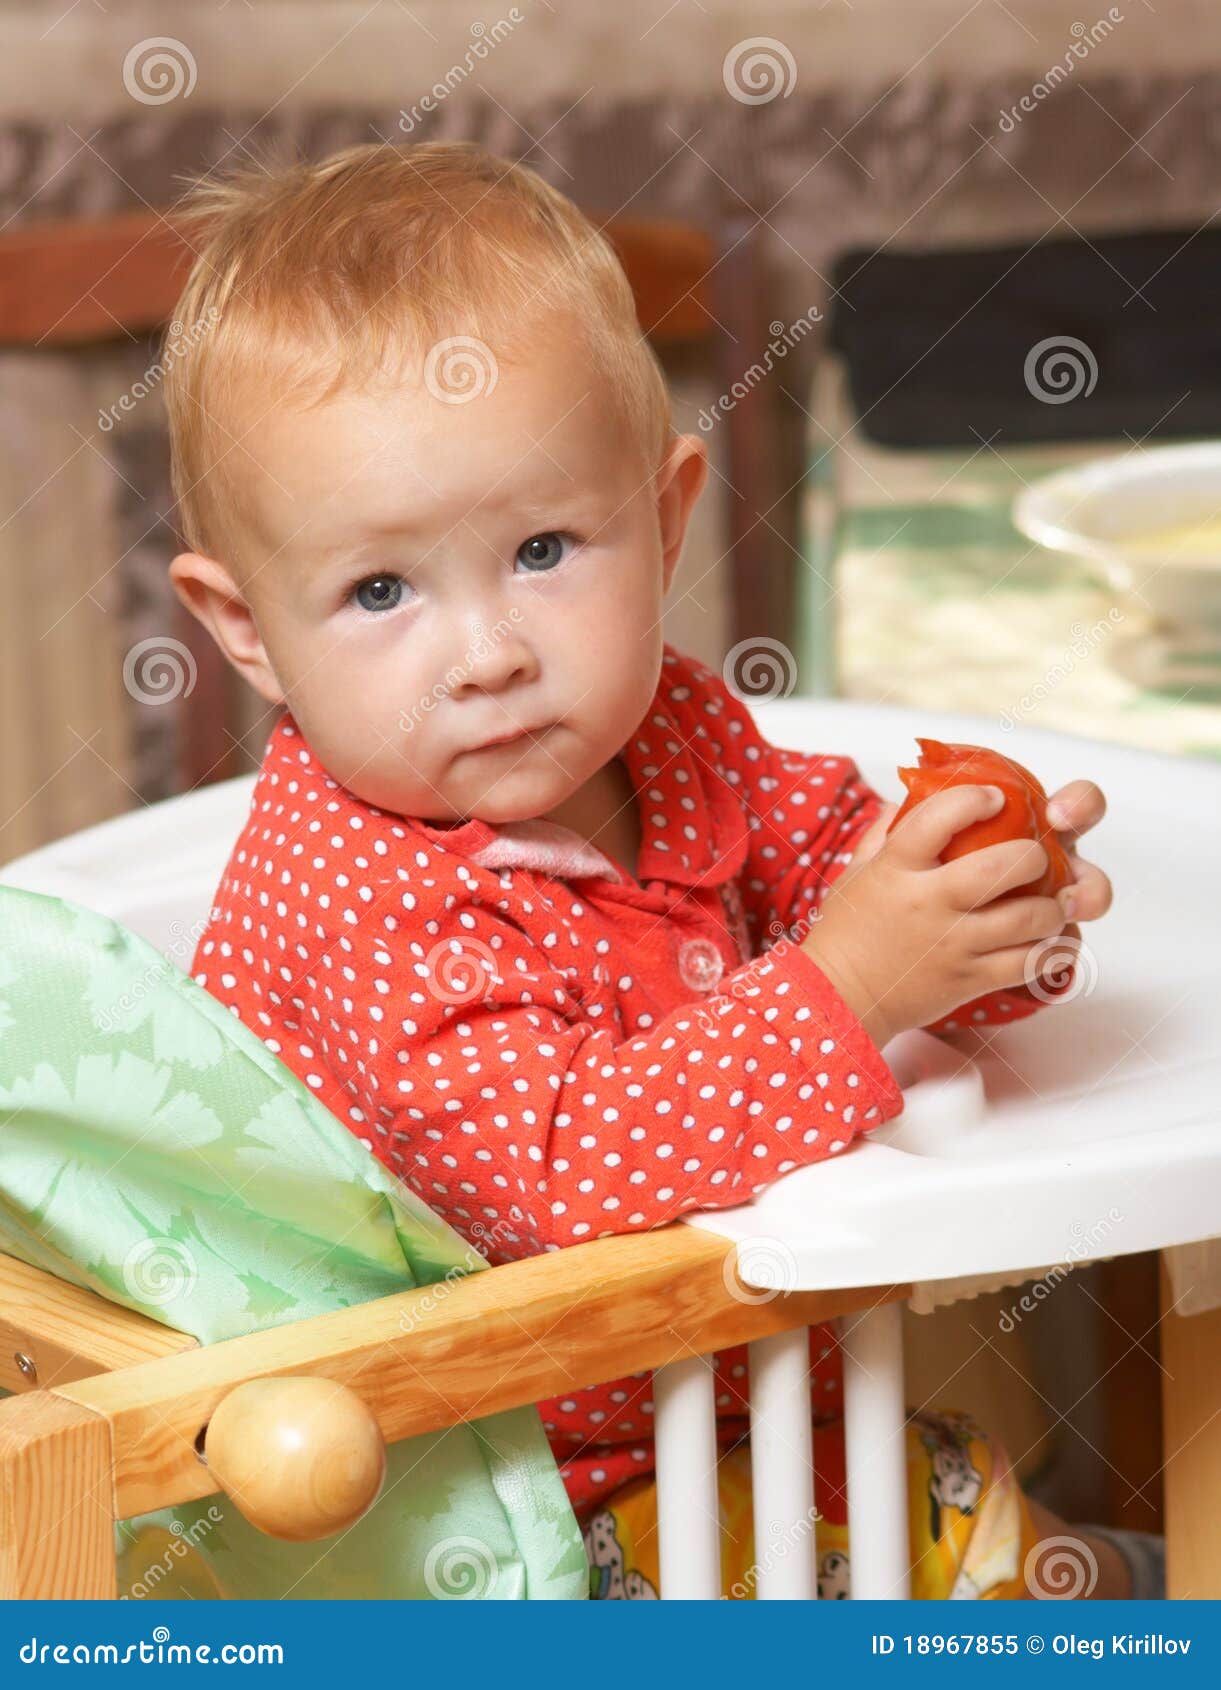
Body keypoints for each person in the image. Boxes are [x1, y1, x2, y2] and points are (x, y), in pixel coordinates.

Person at [164, 139, 1157, 1599]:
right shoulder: (361, 896)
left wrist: (977, 902)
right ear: (245, 626)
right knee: (1026, 1562)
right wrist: (862, 978)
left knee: (1041, 1542)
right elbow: (564, 1178)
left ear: (667, 513)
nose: (490, 650)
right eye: (381, 590)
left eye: (546, 547)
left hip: (744, 1421)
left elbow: (846, 878)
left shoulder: (676, 729)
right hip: (491, 1507)